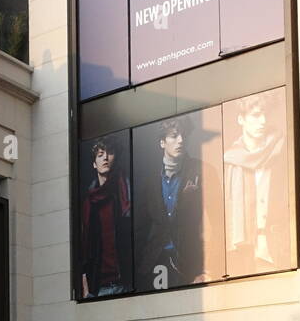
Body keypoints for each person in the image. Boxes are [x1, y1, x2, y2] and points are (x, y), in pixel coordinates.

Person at [136, 118, 213, 289]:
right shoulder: (150, 180)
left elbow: (218, 223)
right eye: (174, 136)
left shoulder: (201, 170)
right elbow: (140, 228)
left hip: (191, 263)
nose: (181, 140)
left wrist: (208, 268)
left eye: (184, 135)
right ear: (162, 142)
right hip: (155, 263)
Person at [224, 91, 291, 276]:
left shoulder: (283, 150)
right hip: (244, 253)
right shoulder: (231, 161)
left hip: (279, 251)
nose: (262, 121)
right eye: (255, 115)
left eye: (265, 115)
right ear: (241, 119)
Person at [80, 138, 132, 299]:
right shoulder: (88, 203)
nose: (105, 158)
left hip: (124, 284)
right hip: (97, 287)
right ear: (94, 163)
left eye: (110, 153)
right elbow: (82, 246)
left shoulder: (125, 191)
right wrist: (84, 283)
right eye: (100, 154)